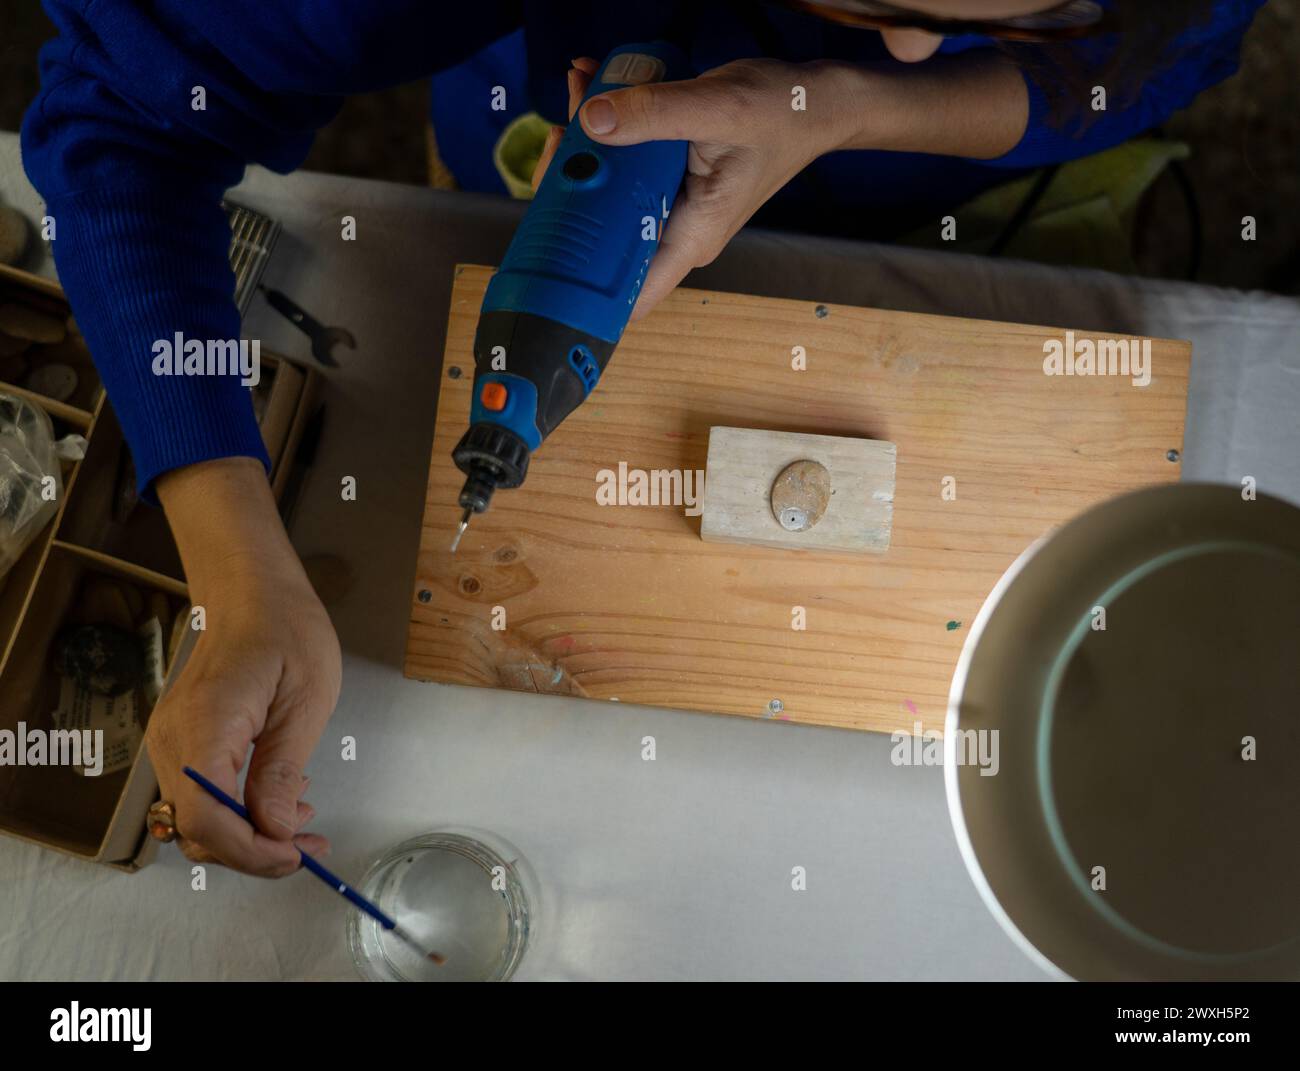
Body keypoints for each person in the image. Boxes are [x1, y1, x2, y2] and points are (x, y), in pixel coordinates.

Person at [20, 0, 1265, 876]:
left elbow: (1189, 32)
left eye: (1031, 10)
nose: (915, 39)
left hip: (893, 179)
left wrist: (868, 104)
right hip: (520, 111)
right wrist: (235, 578)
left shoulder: (918, 47)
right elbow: (117, 131)